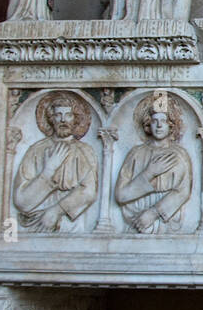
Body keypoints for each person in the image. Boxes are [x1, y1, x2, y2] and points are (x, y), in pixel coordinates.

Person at [13, 93, 98, 233]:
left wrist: (57, 210)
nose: (63, 120)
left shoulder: (85, 151)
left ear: (75, 119)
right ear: (51, 119)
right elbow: (21, 201)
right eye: (58, 115)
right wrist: (48, 172)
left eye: (68, 115)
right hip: (34, 222)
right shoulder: (35, 150)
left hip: (71, 222)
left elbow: (89, 191)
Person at [114, 92, 193, 233]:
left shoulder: (180, 155)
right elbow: (121, 195)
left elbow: (183, 191)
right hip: (135, 221)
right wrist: (149, 173)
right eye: (154, 121)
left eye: (163, 121)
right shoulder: (136, 153)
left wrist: (154, 213)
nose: (159, 126)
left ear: (171, 125)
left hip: (166, 220)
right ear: (147, 124)